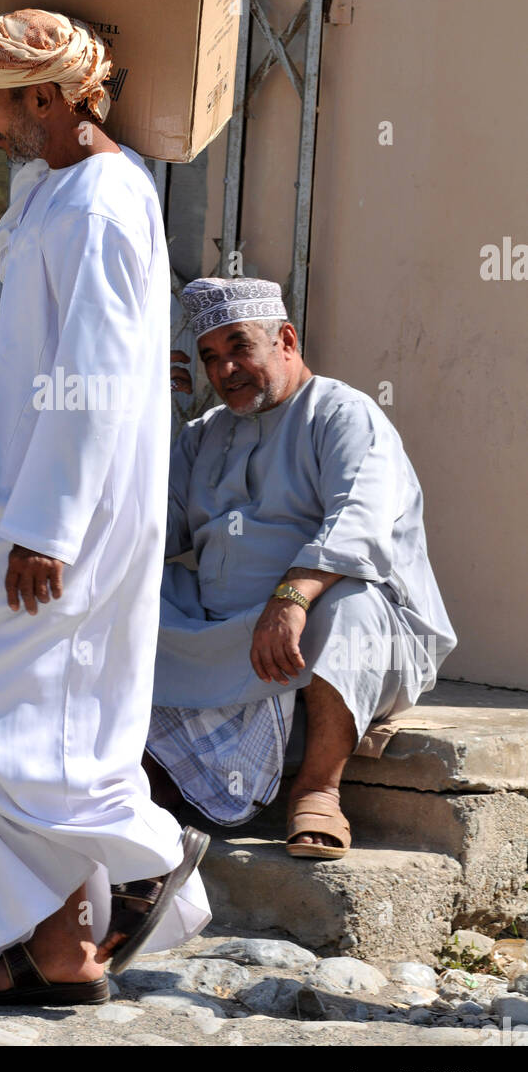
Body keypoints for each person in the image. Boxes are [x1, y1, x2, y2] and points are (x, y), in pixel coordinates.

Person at [0, 8, 210, 1008]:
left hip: (63, 512)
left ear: (48, 95)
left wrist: (46, 526)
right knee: (21, 717)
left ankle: (146, 852)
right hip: (34, 492)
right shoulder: (61, 185)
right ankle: (58, 949)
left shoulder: (98, 205)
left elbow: (95, 375)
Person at [152, 276, 456, 857]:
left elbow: (358, 524)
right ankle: (154, 775)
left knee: (350, 603)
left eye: (240, 348)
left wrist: (289, 599)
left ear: (285, 339)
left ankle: (318, 790)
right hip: (229, 625)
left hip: (331, 623)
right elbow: (152, 531)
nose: (225, 371)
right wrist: (139, 409)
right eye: (211, 357)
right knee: (127, 595)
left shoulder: (344, 414)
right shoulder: (203, 435)